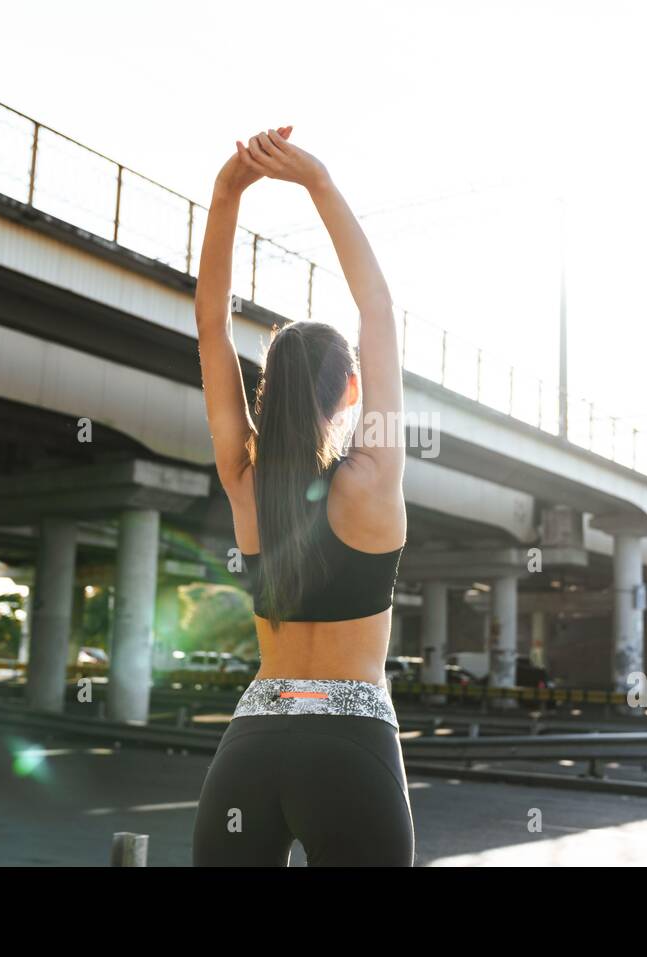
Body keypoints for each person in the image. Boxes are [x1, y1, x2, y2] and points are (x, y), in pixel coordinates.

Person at [191, 127, 413, 866]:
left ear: (268, 389)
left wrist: (227, 193)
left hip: (252, 742)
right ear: (349, 389)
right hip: (350, 744)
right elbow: (377, 310)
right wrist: (316, 180)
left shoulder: (246, 479)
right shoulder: (374, 476)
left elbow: (211, 326)